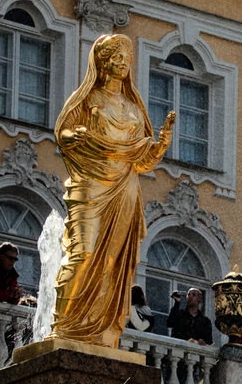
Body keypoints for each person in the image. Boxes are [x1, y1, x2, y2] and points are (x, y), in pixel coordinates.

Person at [52, 33, 175, 347]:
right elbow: (64, 134)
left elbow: (144, 158)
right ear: (102, 62)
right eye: (115, 57)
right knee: (83, 254)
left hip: (124, 187)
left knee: (112, 262)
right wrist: (78, 134)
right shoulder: (88, 99)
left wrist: (160, 143)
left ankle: (101, 332)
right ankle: (62, 328)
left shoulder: (133, 106)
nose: (122, 63)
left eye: (126, 58)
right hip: (91, 185)